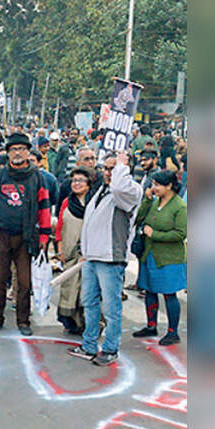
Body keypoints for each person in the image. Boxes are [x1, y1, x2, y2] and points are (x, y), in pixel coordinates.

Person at [68, 151, 143, 366]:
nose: (108, 172)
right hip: (92, 257)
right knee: (89, 303)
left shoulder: (130, 191)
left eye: (113, 168)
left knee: (111, 308)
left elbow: (120, 186)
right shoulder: (102, 189)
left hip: (111, 258)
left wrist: (122, 164)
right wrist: (86, 251)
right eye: (105, 168)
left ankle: (110, 348)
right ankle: (89, 344)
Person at [0, 132, 53, 337]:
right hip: (2, 234)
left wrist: (45, 237)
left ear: (28, 152)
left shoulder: (37, 177)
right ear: (8, 153)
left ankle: (23, 320)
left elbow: (44, 209)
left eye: (21, 149)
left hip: (26, 236)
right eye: (13, 149)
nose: (17, 153)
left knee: (24, 281)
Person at [131, 170, 187, 345]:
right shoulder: (155, 202)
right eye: (153, 184)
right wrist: (147, 200)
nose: (153, 188)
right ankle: (151, 325)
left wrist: (155, 234)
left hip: (168, 258)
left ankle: (172, 331)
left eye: (157, 185)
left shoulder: (180, 207)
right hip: (149, 254)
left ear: (169, 186)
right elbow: (139, 218)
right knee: (150, 290)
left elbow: (180, 234)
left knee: (169, 294)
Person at [55, 167, 94, 335]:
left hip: (89, 254)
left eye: (80, 181)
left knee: (87, 290)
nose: (76, 184)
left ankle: (88, 325)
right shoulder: (66, 202)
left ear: (88, 184)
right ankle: (71, 323)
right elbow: (59, 227)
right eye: (74, 180)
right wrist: (60, 249)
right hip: (70, 253)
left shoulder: (94, 203)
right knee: (69, 288)